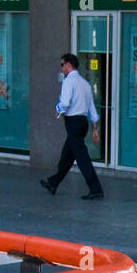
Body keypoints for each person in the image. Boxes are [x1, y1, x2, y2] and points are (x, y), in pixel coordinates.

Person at [39, 53, 103, 200]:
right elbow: (91, 108)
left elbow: (65, 103)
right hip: (82, 123)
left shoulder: (69, 81)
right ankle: (53, 183)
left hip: (73, 122)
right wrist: (95, 128)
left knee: (82, 158)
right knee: (67, 156)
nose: (61, 69)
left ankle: (96, 188)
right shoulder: (85, 83)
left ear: (68, 65)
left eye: (62, 65)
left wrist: (58, 111)